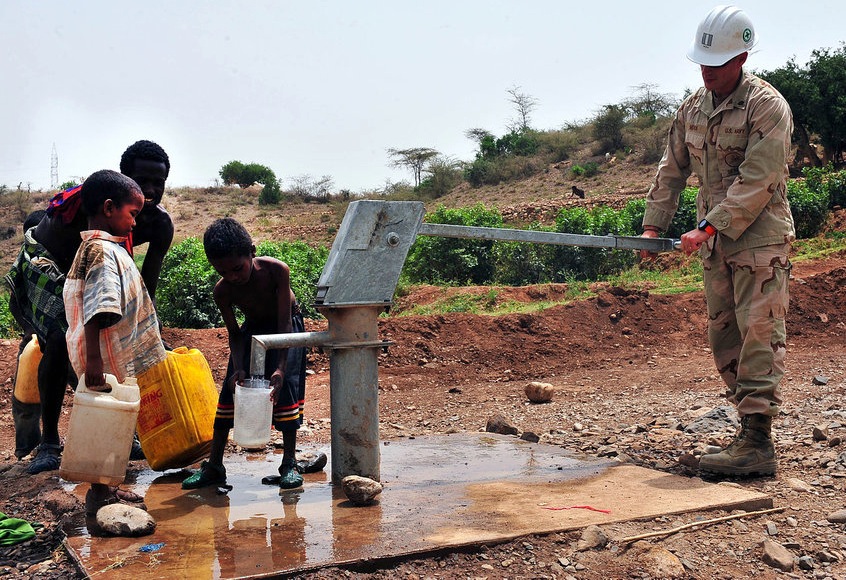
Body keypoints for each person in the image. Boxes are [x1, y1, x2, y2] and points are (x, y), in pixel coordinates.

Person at [640, 5, 794, 477]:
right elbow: (672, 169)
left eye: (717, 64)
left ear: (741, 58)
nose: (707, 72)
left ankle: (758, 440)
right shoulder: (692, 108)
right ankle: (747, 433)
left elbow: (758, 179)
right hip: (715, 246)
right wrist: (653, 226)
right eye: (702, 63)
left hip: (759, 241)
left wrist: (707, 226)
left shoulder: (767, 106)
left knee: (759, 332)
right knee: (723, 335)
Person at [4, 140, 174, 473]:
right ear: (123, 179)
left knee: (118, 345)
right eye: (142, 180)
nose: (152, 190)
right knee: (58, 340)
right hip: (48, 264)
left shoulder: (158, 224)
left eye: (159, 182)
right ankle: (49, 443)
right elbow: (83, 284)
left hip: (94, 272)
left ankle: (119, 430)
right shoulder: (90, 208)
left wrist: (146, 331)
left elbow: (144, 288)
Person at [62, 169, 167, 514]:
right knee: (106, 424)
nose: (135, 223)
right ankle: (100, 494)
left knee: (115, 422)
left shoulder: (102, 247)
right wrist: (94, 362)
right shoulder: (101, 251)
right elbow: (98, 307)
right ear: (109, 208)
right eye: (132, 213)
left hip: (110, 354)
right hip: (104, 357)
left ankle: (108, 487)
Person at [181, 217, 308, 490]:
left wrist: (280, 367)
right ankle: (214, 466)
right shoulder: (222, 291)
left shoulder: (276, 271)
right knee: (231, 392)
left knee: (284, 389)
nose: (233, 277)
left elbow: (285, 322)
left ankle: (289, 463)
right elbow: (235, 333)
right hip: (252, 333)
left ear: (251, 251)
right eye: (223, 271)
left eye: (237, 268)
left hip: (285, 329)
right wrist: (239, 367)